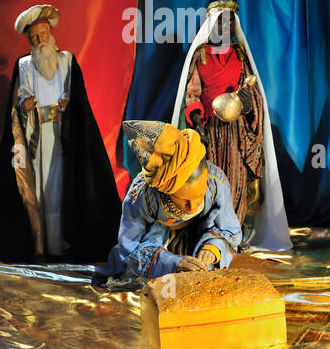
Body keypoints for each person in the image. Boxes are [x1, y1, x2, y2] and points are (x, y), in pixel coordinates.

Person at [0, 4, 121, 262]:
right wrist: (24, 106)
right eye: (34, 37)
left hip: (64, 136)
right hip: (36, 138)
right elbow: (17, 102)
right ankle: (41, 244)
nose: (40, 41)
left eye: (42, 35)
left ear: (50, 33)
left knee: (61, 187)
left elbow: (78, 99)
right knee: (38, 188)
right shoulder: (24, 65)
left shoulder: (67, 61)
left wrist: (69, 106)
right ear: (28, 39)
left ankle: (62, 242)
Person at [168, 0, 289, 251]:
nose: (224, 28)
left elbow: (253, 94)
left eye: (229, 23)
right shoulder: (200, 56)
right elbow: (192, 95)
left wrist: (245, 103)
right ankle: (206, 239)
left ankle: (231, 236)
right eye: (220, 22)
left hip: (235, 132)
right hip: (209, 130)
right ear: (211, 25)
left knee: (234, 181)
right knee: (208, 183)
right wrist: (199, 125)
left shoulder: (239, 55)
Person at [93, 121, 241, 289]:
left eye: (198, 196)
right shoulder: (140, 196)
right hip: (160, 250)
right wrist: (172, 262)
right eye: (183, 200)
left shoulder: (216, 182)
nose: (192, 207)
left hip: (199, 237)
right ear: (164, 191)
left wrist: (213, 248)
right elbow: (128, 246)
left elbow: (229, 227)